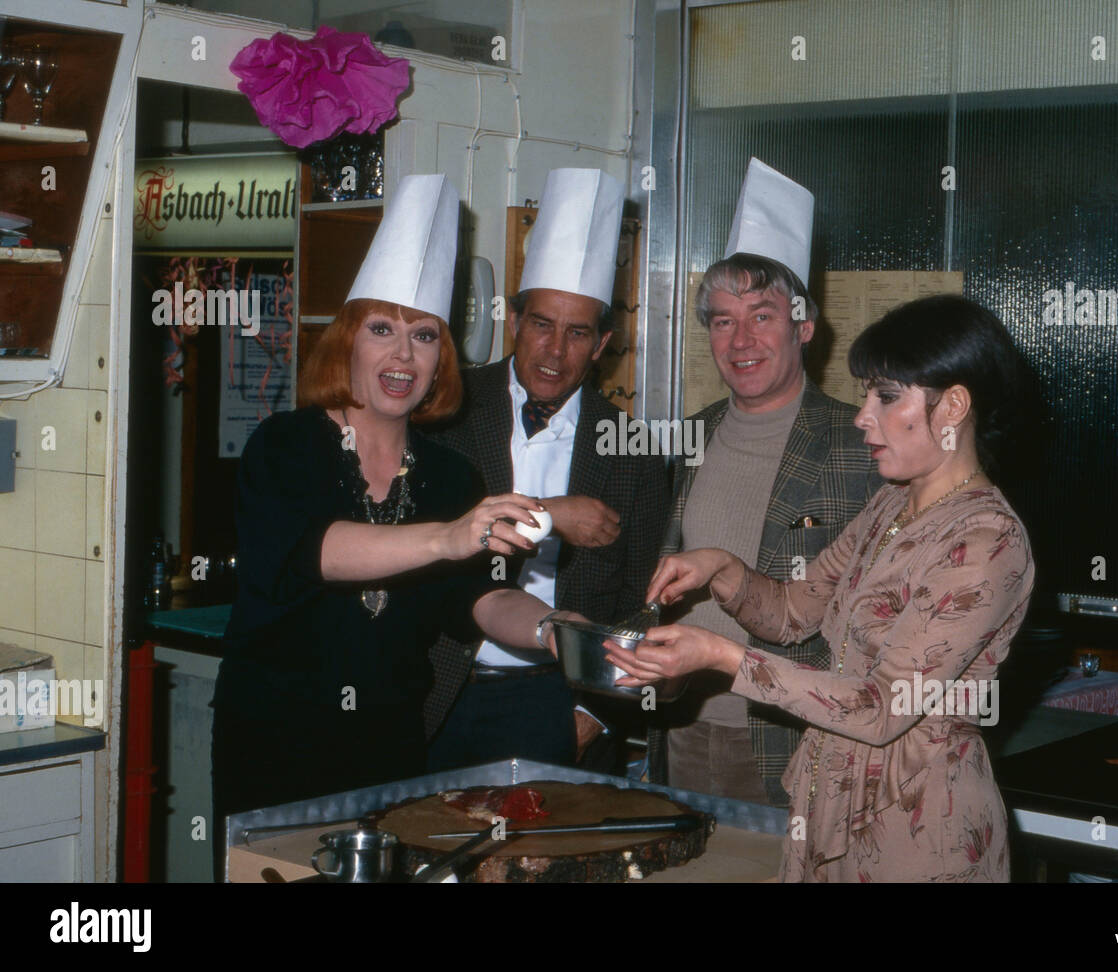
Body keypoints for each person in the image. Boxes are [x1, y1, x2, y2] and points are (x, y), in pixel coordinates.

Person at [611, 294, 1037, 882]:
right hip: (831, 797)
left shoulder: (985, 540)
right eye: (867, 394)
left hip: (917, 822)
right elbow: (791, 612)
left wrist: (719, 656)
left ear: (953, 406)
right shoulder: (893, 503)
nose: (864, 415)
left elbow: (886, 708)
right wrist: (723, 568)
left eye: (886, 396)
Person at [211, 175, 578, 853]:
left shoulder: (450, 476)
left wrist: (556, 629)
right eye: (382, 330)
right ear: (348, 340)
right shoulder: (285, 445)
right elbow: (313, 551)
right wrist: (445, 537)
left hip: (390, 745)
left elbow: (478, 598)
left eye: (425, 336)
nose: (402, 356)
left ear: (443, 359)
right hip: (274, 742)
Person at [646, 158, 880, 805]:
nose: (740, 338)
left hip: (795, 741)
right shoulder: (688, 437)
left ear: (805, 327)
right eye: (722, 319)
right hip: (685, 728)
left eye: (762, 316)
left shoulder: (863, 444)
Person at [424, 168, 670, 773]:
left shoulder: (633, 449)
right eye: (541, 325)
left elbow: (647, 601)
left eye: (577, 332)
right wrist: (553, 517)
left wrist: (600, 714)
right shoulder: (443, 411)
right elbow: (422, 548)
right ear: (514, 320)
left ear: (603, 342)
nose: (554, 352)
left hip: (557, 700)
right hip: (437, 690)